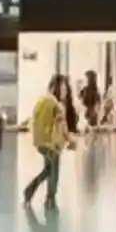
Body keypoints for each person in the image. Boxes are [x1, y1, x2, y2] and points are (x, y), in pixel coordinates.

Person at [23, 74, 74, 208]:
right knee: (53, 171)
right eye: (63, 89)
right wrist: (71, 141)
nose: (65, 92)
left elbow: (33, 120)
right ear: (55, 88)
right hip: (52, 144)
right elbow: (62, 127)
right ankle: (49, 197)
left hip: (41, 142)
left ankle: (31, 191)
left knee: (48, 169)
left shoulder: (42, 100)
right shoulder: (56, 105)